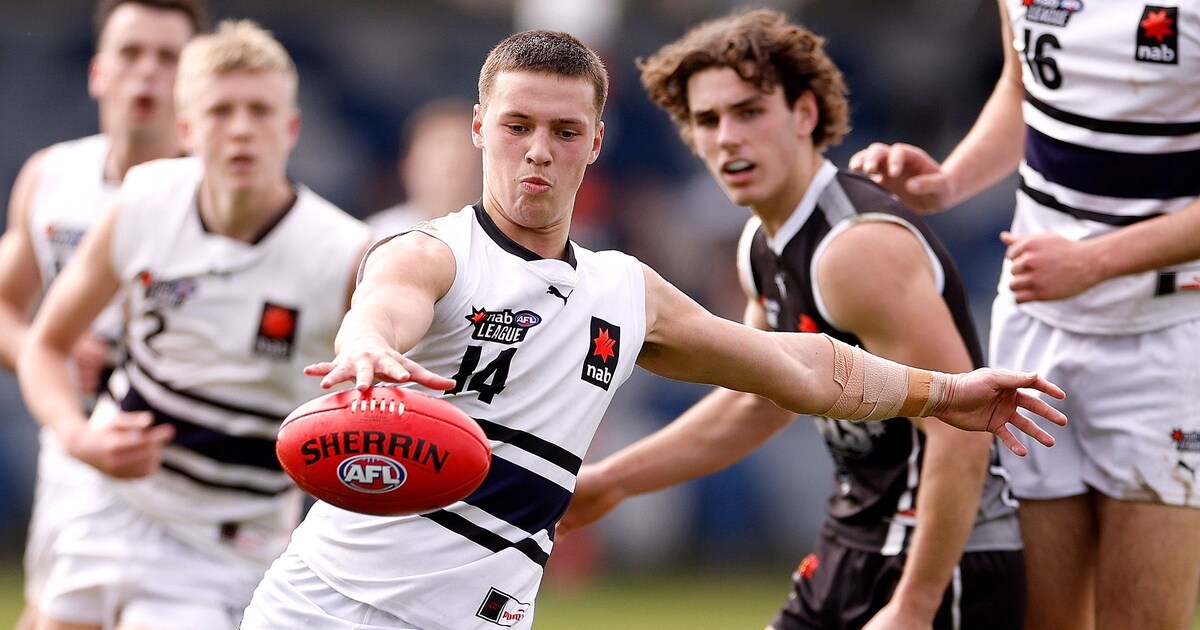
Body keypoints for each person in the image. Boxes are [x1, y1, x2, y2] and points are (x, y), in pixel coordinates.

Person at [238, 28, 1066, 630]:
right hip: (322, 607)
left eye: (564, 133)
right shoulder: (432, 252)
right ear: (481, 130)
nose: (537, 153)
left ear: (596, 142)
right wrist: (368, 347)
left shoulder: (625, 291)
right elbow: (384, 301)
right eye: (518, 126)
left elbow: (802, 371)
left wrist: (946, 390)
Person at [557, 9, 1025, 629]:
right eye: (707, 120)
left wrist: (915, 605)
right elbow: (763, 396)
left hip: (945, 557)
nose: (727, 137)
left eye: (749, 112)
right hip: (857, 536)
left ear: (806, 115)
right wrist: (614, 481)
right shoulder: (761, 243)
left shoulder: (854, 249)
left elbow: (961, 430)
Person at [848, 1, 1200, 627]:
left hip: (1166, 335)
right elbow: (1024, 87)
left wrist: (1095, 263)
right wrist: (950, 182)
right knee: (1042, 617)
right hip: (1036, 329)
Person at [17, 19, 371, 630]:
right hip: (108, 499)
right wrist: (79, 438)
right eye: (220, 111)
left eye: (259, 111)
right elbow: (45, 345)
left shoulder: (342, 254)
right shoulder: (144, 201)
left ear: (290, 129)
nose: (240, 129)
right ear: (186, 129)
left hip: (226, 538)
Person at [0, 1, 208, 628]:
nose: (147, 73)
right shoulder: (52, 175)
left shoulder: (222, 197)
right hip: (77, 446)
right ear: (98, 72)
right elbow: (5, 306)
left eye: (168, 58)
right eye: (130, 53)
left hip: (188, 467)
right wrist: (52, 346)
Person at [366, 97, 482, 236]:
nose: (451, 161)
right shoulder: (377, 234)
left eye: (461, 148)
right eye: (439, 146)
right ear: (408, 165)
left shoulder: (504, 237)